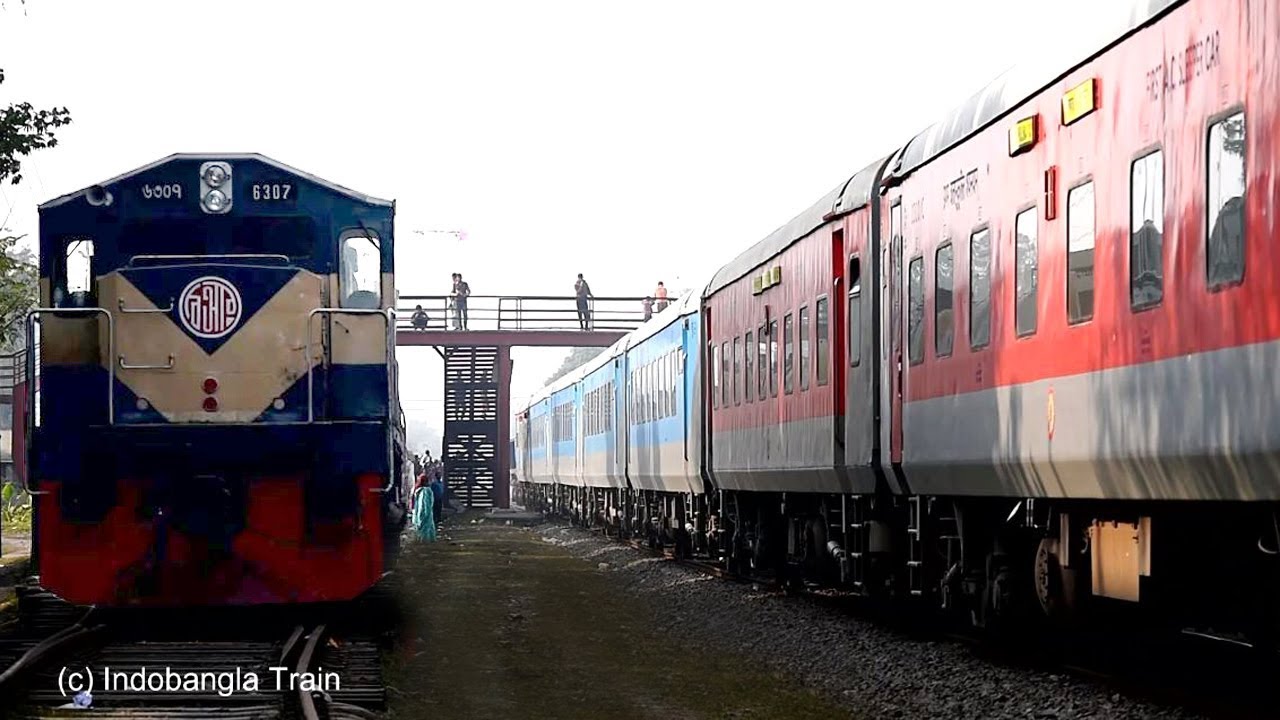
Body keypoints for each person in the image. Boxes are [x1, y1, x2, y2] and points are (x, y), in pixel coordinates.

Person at [411, 471, 437, 541]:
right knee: (426, 536)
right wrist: (424, 517)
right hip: (425, 518)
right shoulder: (425, 491)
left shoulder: (419, 491)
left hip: (419, 518)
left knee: (420, 536)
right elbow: (424, 505)